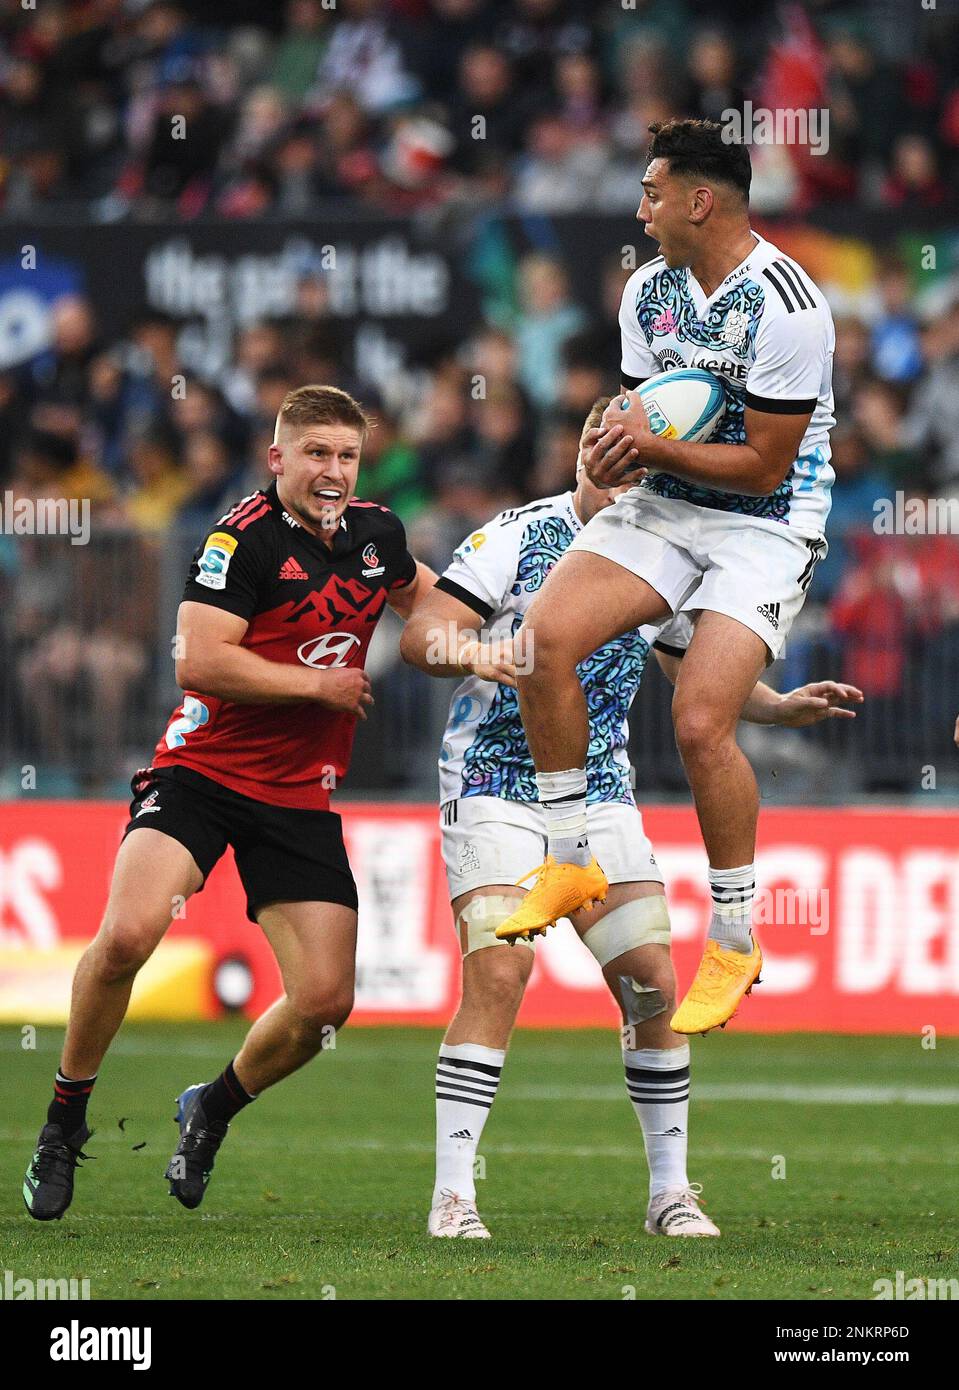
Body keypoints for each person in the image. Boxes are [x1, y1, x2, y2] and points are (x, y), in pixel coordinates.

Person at [400, 398, 860, 1240]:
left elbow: (690, 667)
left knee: (652, 982)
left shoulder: (667, 550)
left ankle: (668, 1195)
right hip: (495, 784)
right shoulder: (517, 535)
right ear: (579, 452)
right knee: (500, 972)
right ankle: (454, 1195)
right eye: (595, 443)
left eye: (636, 450)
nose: (613, 462)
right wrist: (472, 652)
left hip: (601, 793)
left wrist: (775, 706)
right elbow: (423, 633)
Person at [22, 385, 435, 1221]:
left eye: (346, 456)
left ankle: (210, 1107)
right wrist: (315, 685)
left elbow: (429, 603)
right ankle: (64, 1122)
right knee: (128, 936)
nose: (332, 471)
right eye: (315, 453)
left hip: (298, 797)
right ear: (277, 458)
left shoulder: (376, 534)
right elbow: (199, 661)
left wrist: (512, 635)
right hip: (201, 774)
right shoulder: (237, 538)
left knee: (325, 1004)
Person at [495, 117, 837, 1037]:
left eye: (651, 194)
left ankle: (732, 938)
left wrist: (645, 444)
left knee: (698, 722)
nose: (639, 211)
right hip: (672, 502)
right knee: (540, 647)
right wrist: (614, 449)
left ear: (699, 200)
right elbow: (652, 416)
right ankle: (570, 853)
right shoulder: (647, 292)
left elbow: (767, 465)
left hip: (765, 524)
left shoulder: (788, 305)